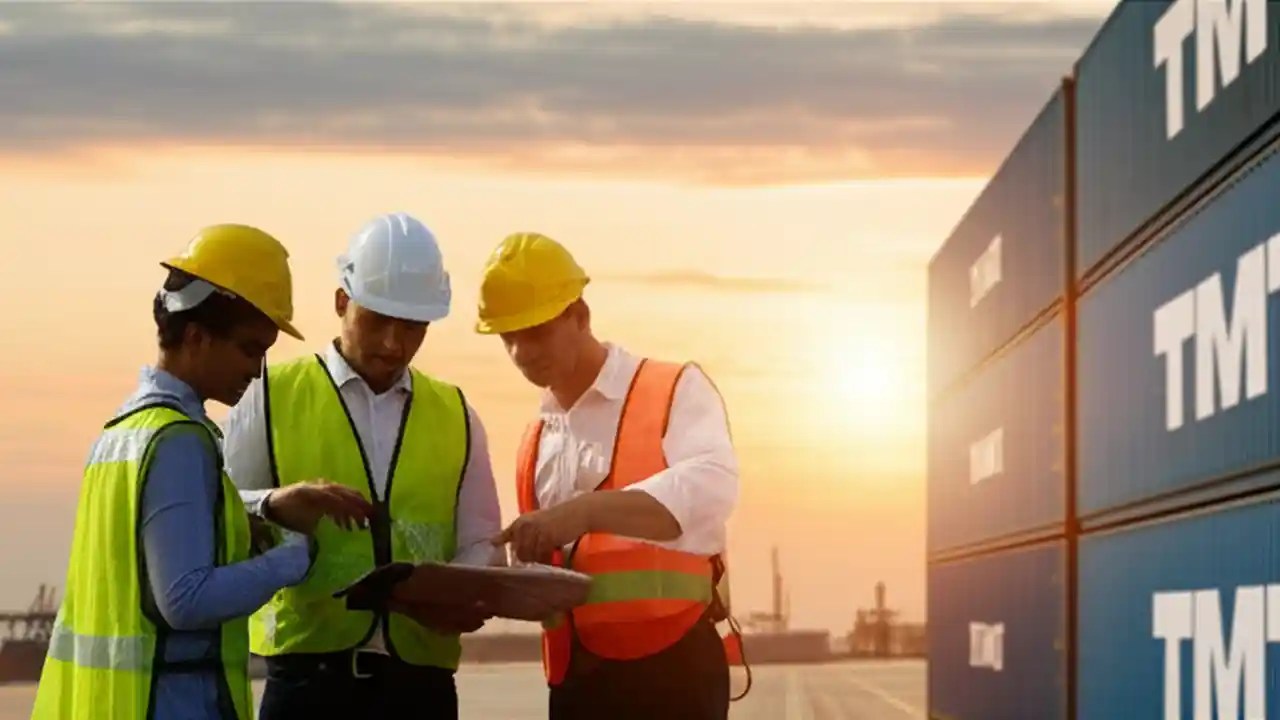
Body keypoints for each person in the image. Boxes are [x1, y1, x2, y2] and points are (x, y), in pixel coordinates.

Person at [31, 224, 374, 720]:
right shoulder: (179, 441)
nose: (257, 370)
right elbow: (185, 600)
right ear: (196, 337)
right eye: (250, 349)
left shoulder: (121, 433)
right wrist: (295, 556)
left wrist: (261, 512)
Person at [223, 212, 505, 720]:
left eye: (413, 326)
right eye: (377, 321)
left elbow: (481, 540)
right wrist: (273, 503)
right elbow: (217, 516)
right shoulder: (268, 396)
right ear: (340, 302)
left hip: (421, 687)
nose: (394, 343)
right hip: (308, 684)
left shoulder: (457, 413)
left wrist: (467, 592)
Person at [476, 231, 742, 719]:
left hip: (675, 671)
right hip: (579, 678)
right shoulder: (537, 438)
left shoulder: (673, 388)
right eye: (508, 338)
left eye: (536, 331)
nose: (521, 352)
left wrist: (584, 512)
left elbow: (712, 488)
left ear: (580, 316)